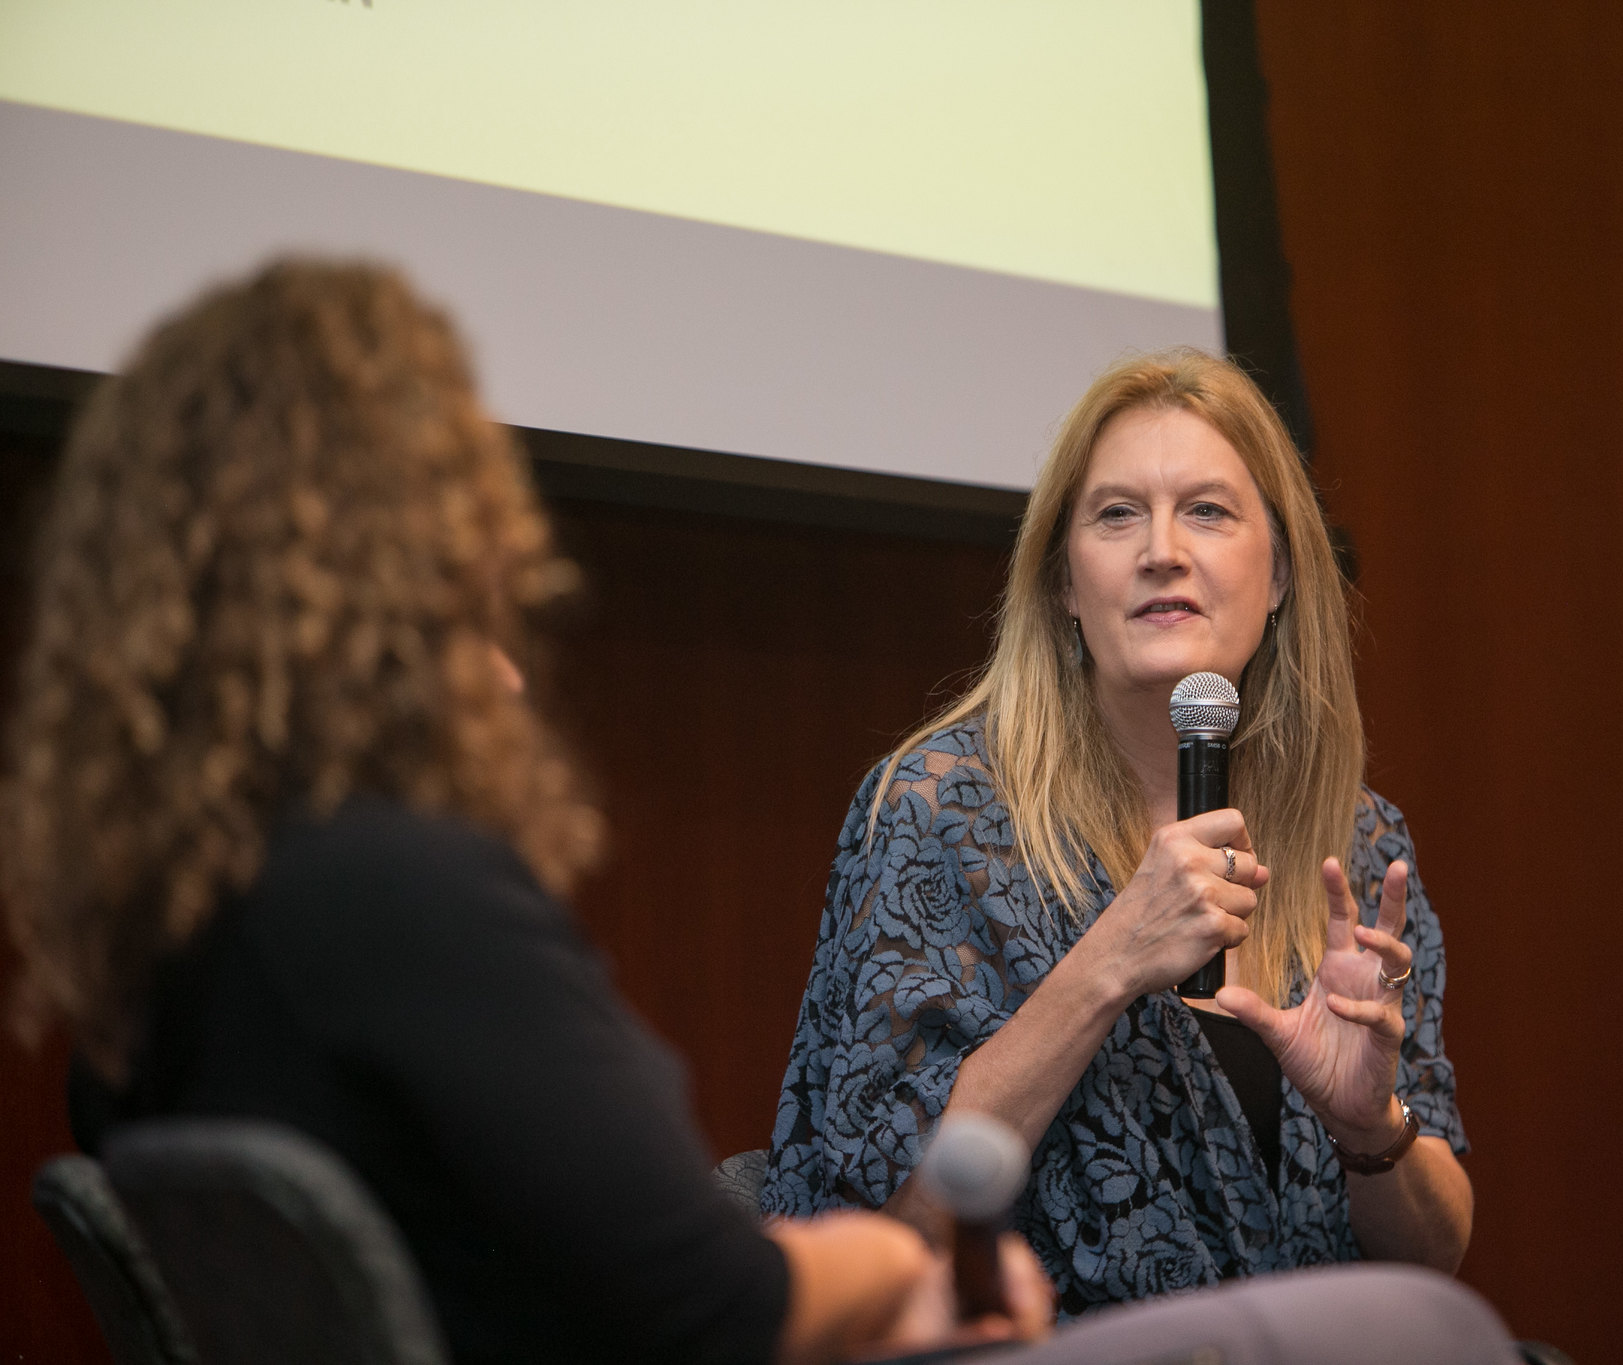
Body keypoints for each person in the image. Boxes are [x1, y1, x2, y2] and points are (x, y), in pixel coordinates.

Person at [0, 260, 1051, 1365]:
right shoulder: (401, 894)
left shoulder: (159, 952)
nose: (504, 673)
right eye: (468, 610)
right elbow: (724, 1314)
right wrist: (901, 1263)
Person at [762, 349, 1474, 1316]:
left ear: (1279, 574)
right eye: (1117, 514)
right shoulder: (939, 814)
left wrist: (1369, 1127)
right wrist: (1108, 962)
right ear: (1064, 581)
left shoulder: (1358, 841)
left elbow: (1435, 1253)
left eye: (1208, 511)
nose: (1161, 550)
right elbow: (886, 1219)